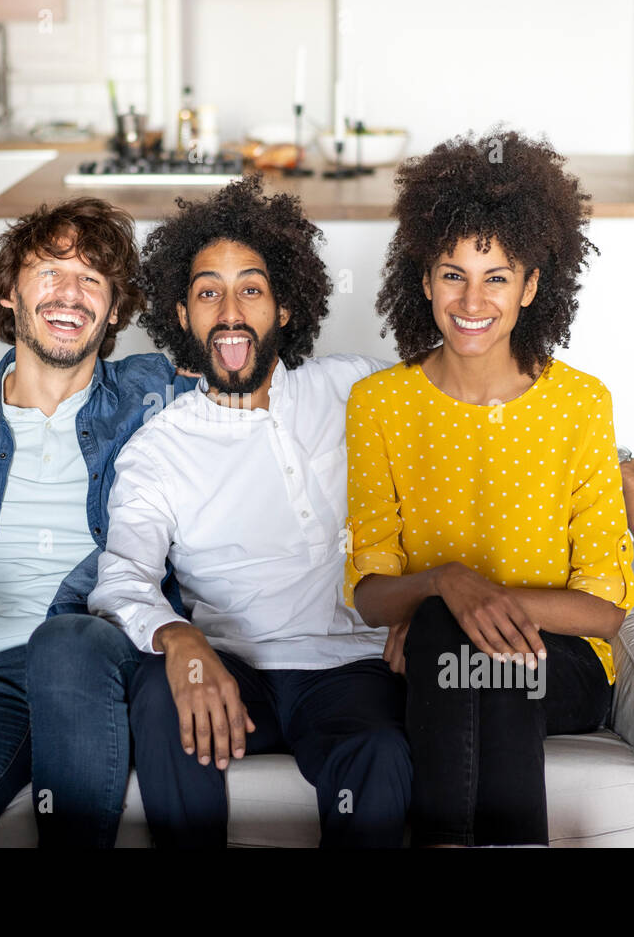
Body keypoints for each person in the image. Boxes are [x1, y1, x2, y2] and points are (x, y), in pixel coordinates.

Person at [83, 176, 412, 847]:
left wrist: (623, 462)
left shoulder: (355, 388)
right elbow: (121, 578)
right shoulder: (157, 448)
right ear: (182, 316)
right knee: (155, 693)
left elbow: (481, 412)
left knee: (380, 752)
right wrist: (178, 640)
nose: (230, 311)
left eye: (250, 290)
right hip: (232, 668)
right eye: (209, 292)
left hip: (351, 668)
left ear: (285, 309)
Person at [346, 128, 634, 846]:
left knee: (460, 637)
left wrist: (474, 598)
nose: (472, 299)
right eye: (453, 274)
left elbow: (604, 612)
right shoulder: (378, 404)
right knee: (458, 640)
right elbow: (368, 595)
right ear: (424, 280)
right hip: (447, 657)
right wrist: (447, 583)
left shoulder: (581, 404)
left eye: (497, 277)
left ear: (532, 285)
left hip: (566, 665)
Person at [0, 198, 199, 847]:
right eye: (50, 272)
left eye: (91, 279)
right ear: (9, 294)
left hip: (108, 652)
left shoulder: (157, 395)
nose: (70, 293)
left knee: (68, 642)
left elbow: (269, 401)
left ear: (115, 309)